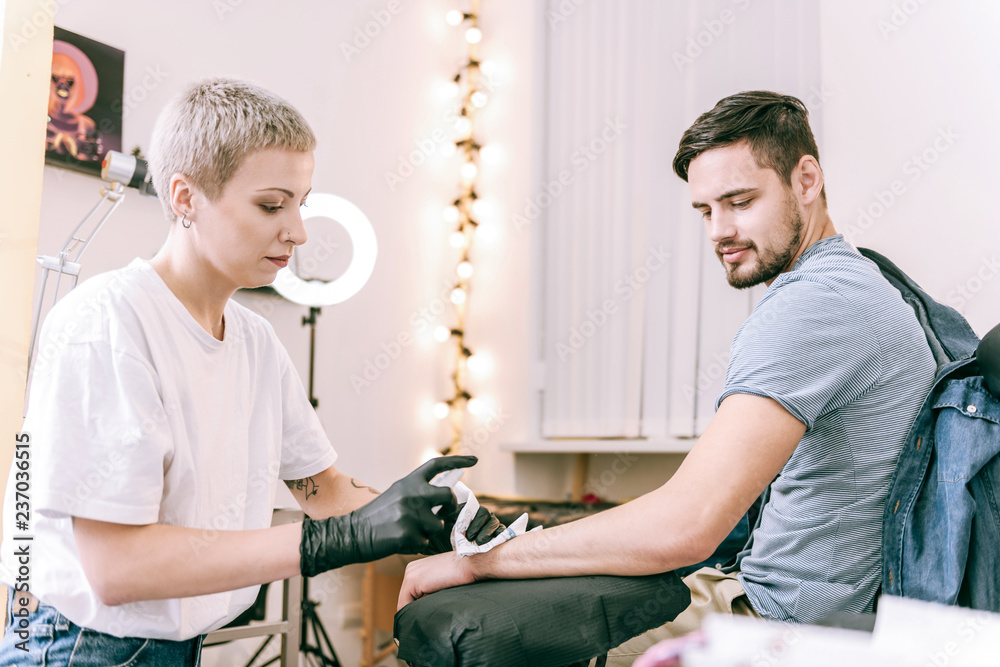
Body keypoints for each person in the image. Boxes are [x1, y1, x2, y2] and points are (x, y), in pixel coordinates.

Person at [397, 91, 938, 664]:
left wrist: (472, 562)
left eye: (740, 201)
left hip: (772, 620)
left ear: (807, 180)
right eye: (706, 210)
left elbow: (687, 525)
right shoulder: (867, 284)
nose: (718, 231)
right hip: (796, 598)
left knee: (468, 634)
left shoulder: (813, 306)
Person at [0, 78, 497, 665]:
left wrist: (418, 514)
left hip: (178, 643)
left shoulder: (255, 341)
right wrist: (341, 539)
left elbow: (322, 487)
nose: (299, 231)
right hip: (80, 647)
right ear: (184, 198)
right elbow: (116, 568)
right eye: (271, 204)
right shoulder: (107, 324)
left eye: (301, 203)